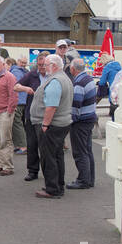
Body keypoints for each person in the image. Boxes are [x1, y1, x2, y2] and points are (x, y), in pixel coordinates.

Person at [33, 54, 73, 198]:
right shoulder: (64, 78)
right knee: (57, 156)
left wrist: (45, 124)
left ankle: (52, 189)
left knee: (49, 157)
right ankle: (57, 185)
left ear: (54, 66)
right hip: (61, 123)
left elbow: (51, 106)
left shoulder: (56, 81)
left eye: (46, 65)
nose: (44, 67)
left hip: (53, 125)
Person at [67, 57, 97, 189]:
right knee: (87, 150)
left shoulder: (79, 82)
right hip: (89, 118)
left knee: (80, 152)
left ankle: (83, 180)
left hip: (81, 121)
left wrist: (71, 120)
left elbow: (76, 105)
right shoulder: (88, 79)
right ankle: (89, 179)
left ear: (73, 69)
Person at [15, 52, 45, 181]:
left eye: (44, 64)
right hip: (31, 115)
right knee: (32, 145)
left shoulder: (53, 76)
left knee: (45, 147)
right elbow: (16, 86)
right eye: (39, 64)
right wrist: (25, 88)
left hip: (46, 116)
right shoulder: (32, 75)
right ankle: (32, 171)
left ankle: (47, 171)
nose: (41, 67)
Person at [9, 56, 29, 153]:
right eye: (22, 62)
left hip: (18, 100)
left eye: (25, 63)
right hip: (24, 100)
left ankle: (22, 146)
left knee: (17, 124)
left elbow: (14, 87)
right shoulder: (24, 71)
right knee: (20, 123)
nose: (23, 64)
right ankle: (20, 144)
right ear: (18, 61)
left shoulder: (16, 71)